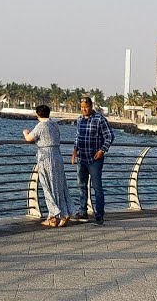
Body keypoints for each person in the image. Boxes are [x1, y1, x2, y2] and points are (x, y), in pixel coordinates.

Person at [24, 104, 73, 227]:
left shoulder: (41, 125)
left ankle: (53, 217)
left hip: (45, 156)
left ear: (37, 114)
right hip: (57, 155)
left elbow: (29, 138)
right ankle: (65, 212)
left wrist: (25, 132)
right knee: (59, 185)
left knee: (47, 186)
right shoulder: (54, 124)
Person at [72, 96, 115, 225]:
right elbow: (78, 136)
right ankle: (82, 212)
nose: (84, 109)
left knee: (97, 187)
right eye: (82, 107)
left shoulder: (99, 119)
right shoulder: (80, 119)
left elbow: (110, 136)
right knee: (81, 186)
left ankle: (99, 214)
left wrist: (102, 150)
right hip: (81, 158)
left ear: (91, 106)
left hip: (95, 160)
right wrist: (75, 150)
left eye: (86, 107)